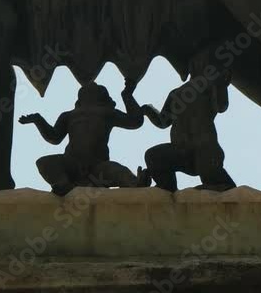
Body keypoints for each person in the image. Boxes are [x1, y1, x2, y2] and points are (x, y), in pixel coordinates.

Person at [125, 53, 236, 192]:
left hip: (205, 148)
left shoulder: (210, 87)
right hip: (181, 150)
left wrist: (221, 84)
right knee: (153, 156)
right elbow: (163, 121)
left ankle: (223, 185)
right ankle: (167, 189)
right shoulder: (176, 93)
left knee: (211, 172)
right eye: (197, 62)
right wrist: (147, 109)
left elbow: (221, 106)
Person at [20, 81, 151, 195]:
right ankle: (63, 184)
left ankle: (135, 183)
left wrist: (127, 95)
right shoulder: (68, 115)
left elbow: (135, 121)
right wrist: (39, 121)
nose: (91, 88)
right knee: (45, 162)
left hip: (97, 167)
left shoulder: (107, 113)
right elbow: (54, 137)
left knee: (116, 170)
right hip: (71, 164)